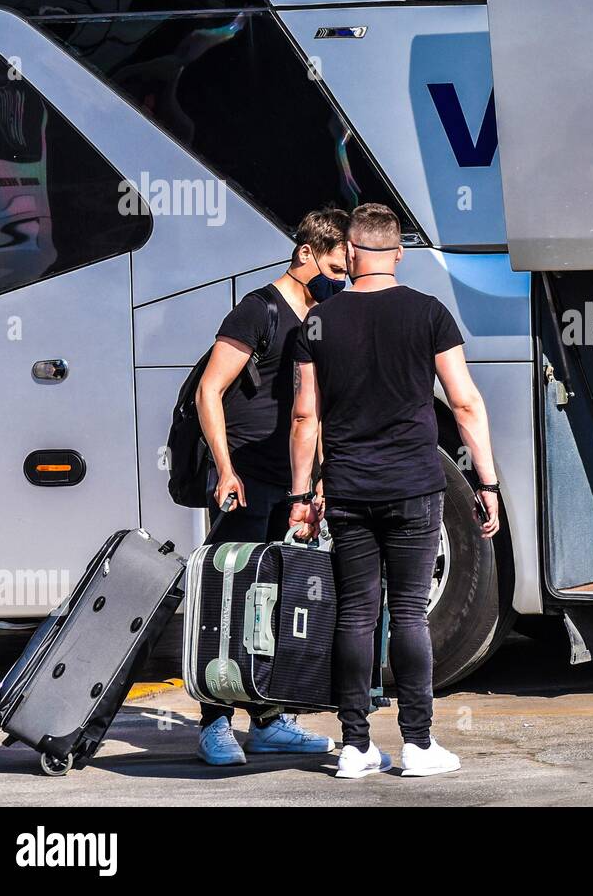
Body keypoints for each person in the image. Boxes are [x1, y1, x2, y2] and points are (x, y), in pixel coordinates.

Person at [289, 203, 500, 779]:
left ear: (351, 253)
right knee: (407, 612)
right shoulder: (429, 313)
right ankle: (418, 744)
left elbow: (306, 417)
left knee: (355, 612)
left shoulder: (320, 321)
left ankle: (354, 745)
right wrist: (487, 482)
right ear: (400, 252)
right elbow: (464, 402)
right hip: (413, 486)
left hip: (350, 489)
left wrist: (301, 495)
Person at [193, 207, 351, 764]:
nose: (342, 279)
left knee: (275, 602)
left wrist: (320, 481)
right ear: (306, 254)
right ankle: (214, 723)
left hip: (292, 483)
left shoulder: (320, 320)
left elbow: (317, 410)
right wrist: (226, 468)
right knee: (228, 597)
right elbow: (209, 391)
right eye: (335, 267)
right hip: (247, 478)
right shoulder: (257, 309)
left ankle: (266, 719)